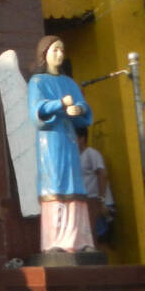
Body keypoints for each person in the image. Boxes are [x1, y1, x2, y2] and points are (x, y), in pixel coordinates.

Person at [27, 35, 96, 253]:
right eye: (55, 50)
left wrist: (79, 109)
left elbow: (82, 105)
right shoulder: (37, 82)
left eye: (62, 50)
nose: (59, 54)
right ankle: (54, 241)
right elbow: (36, 109)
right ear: (44, 54)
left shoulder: (69, 83)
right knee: (55, 184)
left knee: (75, 185)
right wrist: (59, 104)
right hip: (51, 141)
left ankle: (81, 241)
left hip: (69, 139)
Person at [78, 127, 115, 243]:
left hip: (98, 203)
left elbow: (102, 174)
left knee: (100, 237)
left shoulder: (92, 154)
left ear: (82, 138)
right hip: (88, 203)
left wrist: (102, 201)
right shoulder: (76, 157)